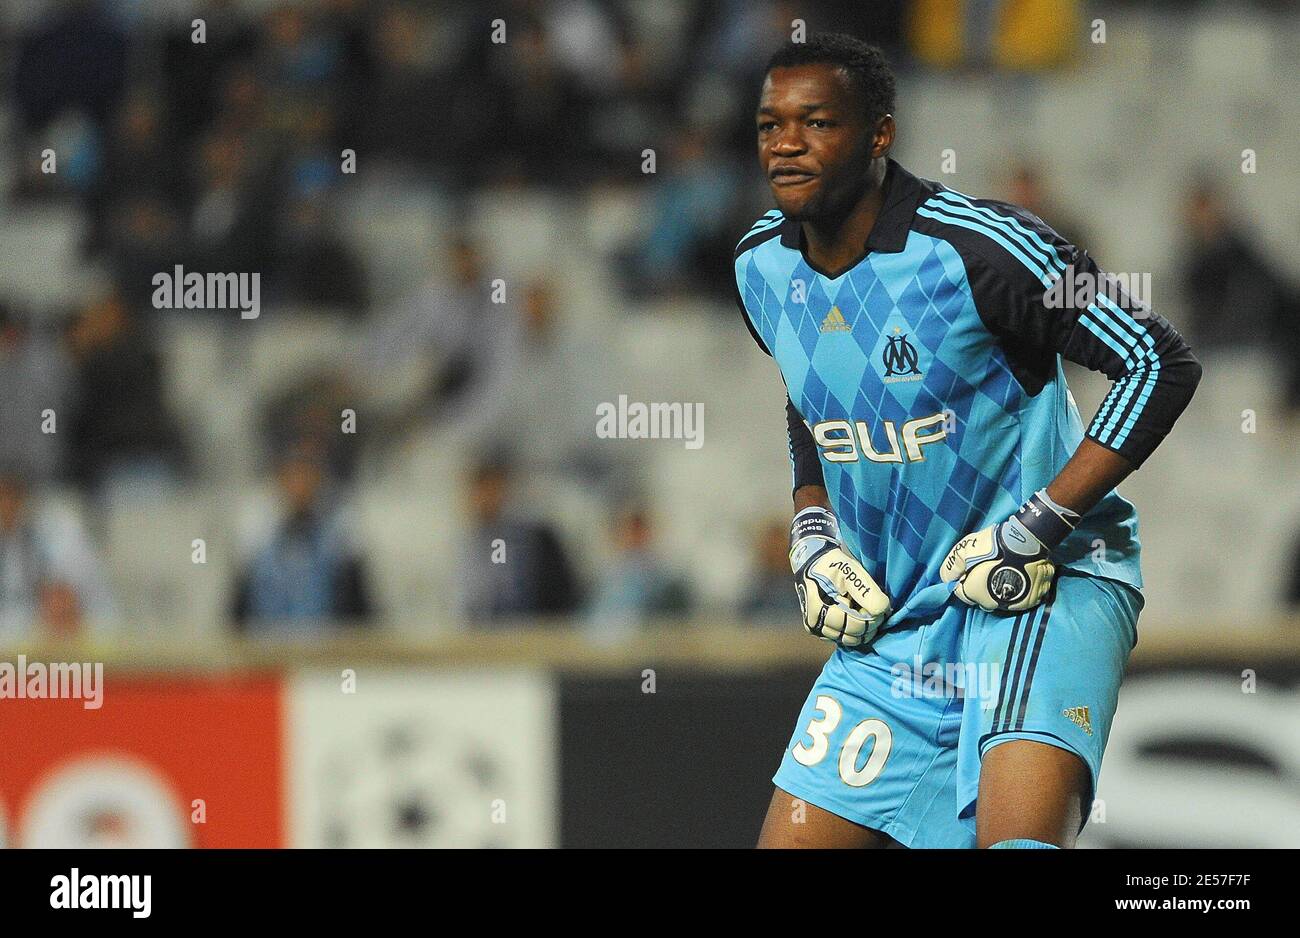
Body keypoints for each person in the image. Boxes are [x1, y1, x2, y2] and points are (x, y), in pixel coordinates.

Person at [732, 35, 1201, 849]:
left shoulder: (988, 247)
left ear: (879, 134)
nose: (787, 144)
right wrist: (812, 530)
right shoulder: (758, 267)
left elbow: (1157, 359)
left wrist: (1040, 525)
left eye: (818, 123)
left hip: (1044, 588)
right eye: (772, 124)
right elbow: (808, 398)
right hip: (896, 618)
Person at [231, 450, 374, 633]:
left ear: (319, 483)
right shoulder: (257, 544)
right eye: (293, 478)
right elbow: (237, 616)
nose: (300, 487)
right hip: (266, 648)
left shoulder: (340, 544)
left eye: (307, 478)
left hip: (328, 650)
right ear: (280, 483)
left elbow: (361, 615)